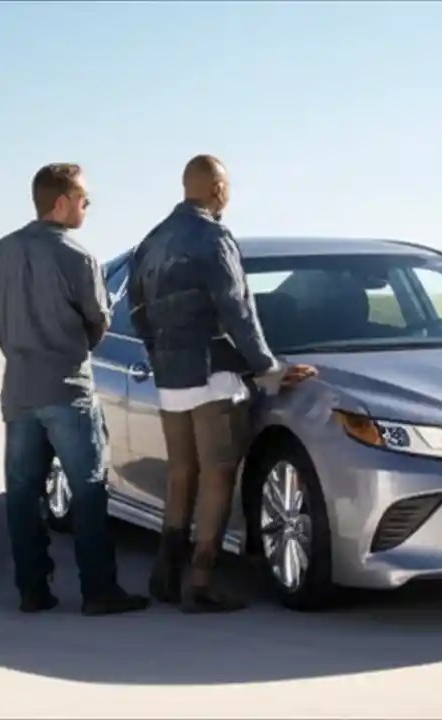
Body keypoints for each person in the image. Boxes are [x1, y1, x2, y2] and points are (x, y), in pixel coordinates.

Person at [127, 154, 318, 613]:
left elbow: (136, 311)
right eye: (227, 186)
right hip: (213, 373)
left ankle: (164, 573)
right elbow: (237, 309)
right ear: (217, 190)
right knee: (217, 475)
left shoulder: (150, 242)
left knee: (180, 473)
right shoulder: (213, 237)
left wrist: (160, 359)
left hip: (171, 377)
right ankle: (200, 582)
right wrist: (268, 368)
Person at [0, 163, 150, 615]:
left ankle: (32, 589)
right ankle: (98, 590)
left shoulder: (2, 251)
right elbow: (99, 321)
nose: (88, 207)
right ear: (61, 202)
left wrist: (20, 347)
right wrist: (71, 347)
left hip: (20, 391)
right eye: (84, 199)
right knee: (89, 490)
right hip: (68, 389)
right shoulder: (80, 258)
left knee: (21, 492)